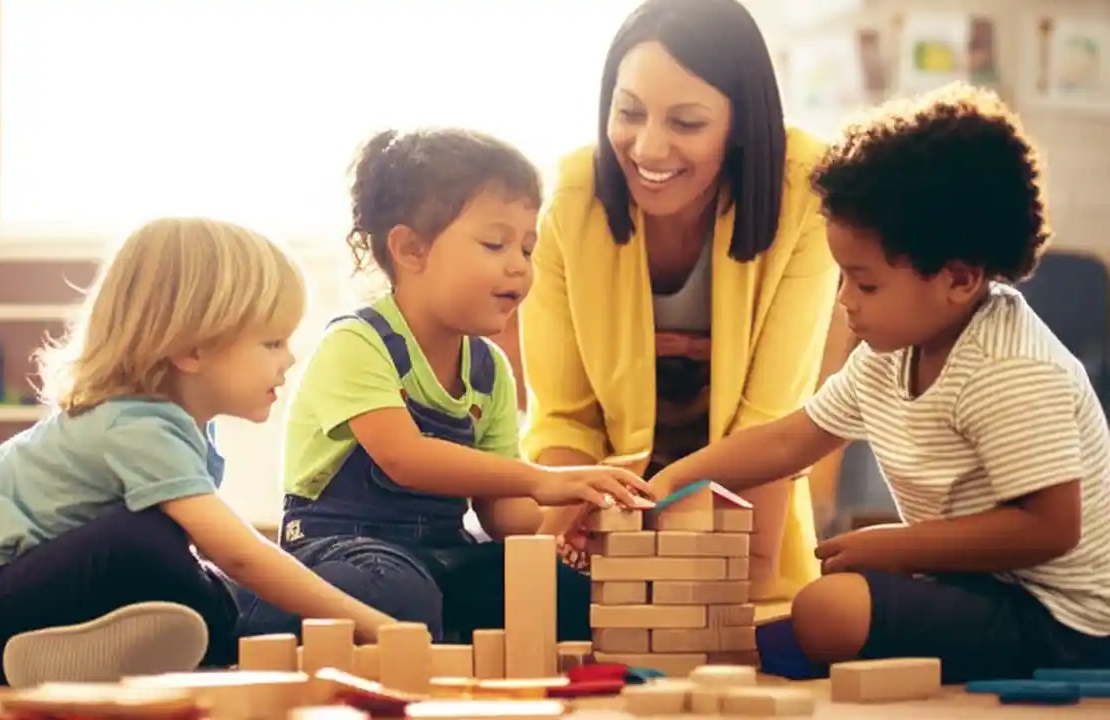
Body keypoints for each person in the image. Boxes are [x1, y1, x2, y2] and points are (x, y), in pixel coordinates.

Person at [649, 83, 1110, 682]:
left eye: (865, 284)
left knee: (827, 606)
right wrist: (673, 479)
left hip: (1065, 624)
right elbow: (793, 439)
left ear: (960, 278)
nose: (846, 302)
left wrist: (901, 545)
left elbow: (1050, 527)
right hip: (981, 590)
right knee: (828, 602)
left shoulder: (1012, 368)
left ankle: (799, 646)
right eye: (843, 278)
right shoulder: (889, 353)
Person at [0, 218, 397, 687]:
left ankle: (96, 648)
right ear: (191, 350)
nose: (288, 359)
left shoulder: (179, 427)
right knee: (147, 542)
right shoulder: (135, 424)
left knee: (179, 564)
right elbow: (239, 555)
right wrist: (374, 625)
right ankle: (222, 635)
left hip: (4, 603)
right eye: (272, 342)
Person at [278, 127, 655, 643]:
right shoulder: (358, 343)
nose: (519, 267)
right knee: (392, 592)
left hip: (442, 553)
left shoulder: (489, 370)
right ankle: (260, 606)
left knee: (563, 592)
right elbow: (404, 458)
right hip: (340, 546)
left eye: (527, 248)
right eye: (495, 244)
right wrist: (540, 478)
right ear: (410, 249)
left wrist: (568, 513)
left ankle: (445, 636)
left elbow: (503, 515)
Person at [518, 0, 840, 601]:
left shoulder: (804, 190)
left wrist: (750, 571)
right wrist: (550, 560)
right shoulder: (572, 199)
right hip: (607, 521)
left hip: (744, 510)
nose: (648, 149)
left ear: (741, 124)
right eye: (629, 112)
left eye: (686, 123)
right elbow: (566, 415)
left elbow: (770, 420)